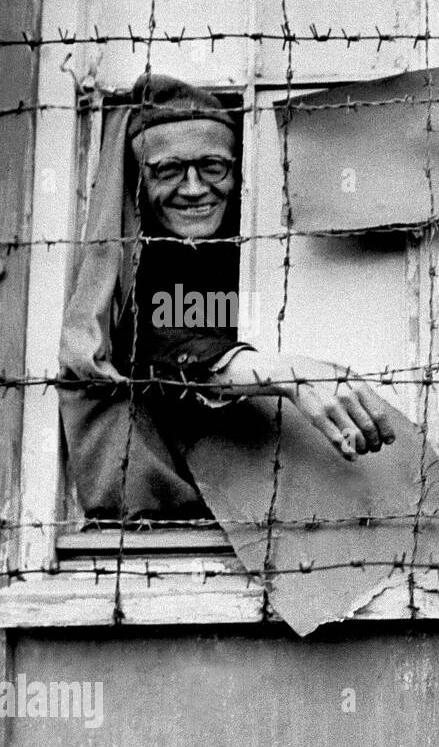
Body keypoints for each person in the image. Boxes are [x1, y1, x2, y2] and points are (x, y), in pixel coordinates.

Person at [59, 72, 395, 518]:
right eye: (168, 171)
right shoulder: (138, 265)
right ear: (138, 181)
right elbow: (161, 335)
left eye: (213, 167)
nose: (195, 188)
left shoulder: (252, 248)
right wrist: (286, 371)